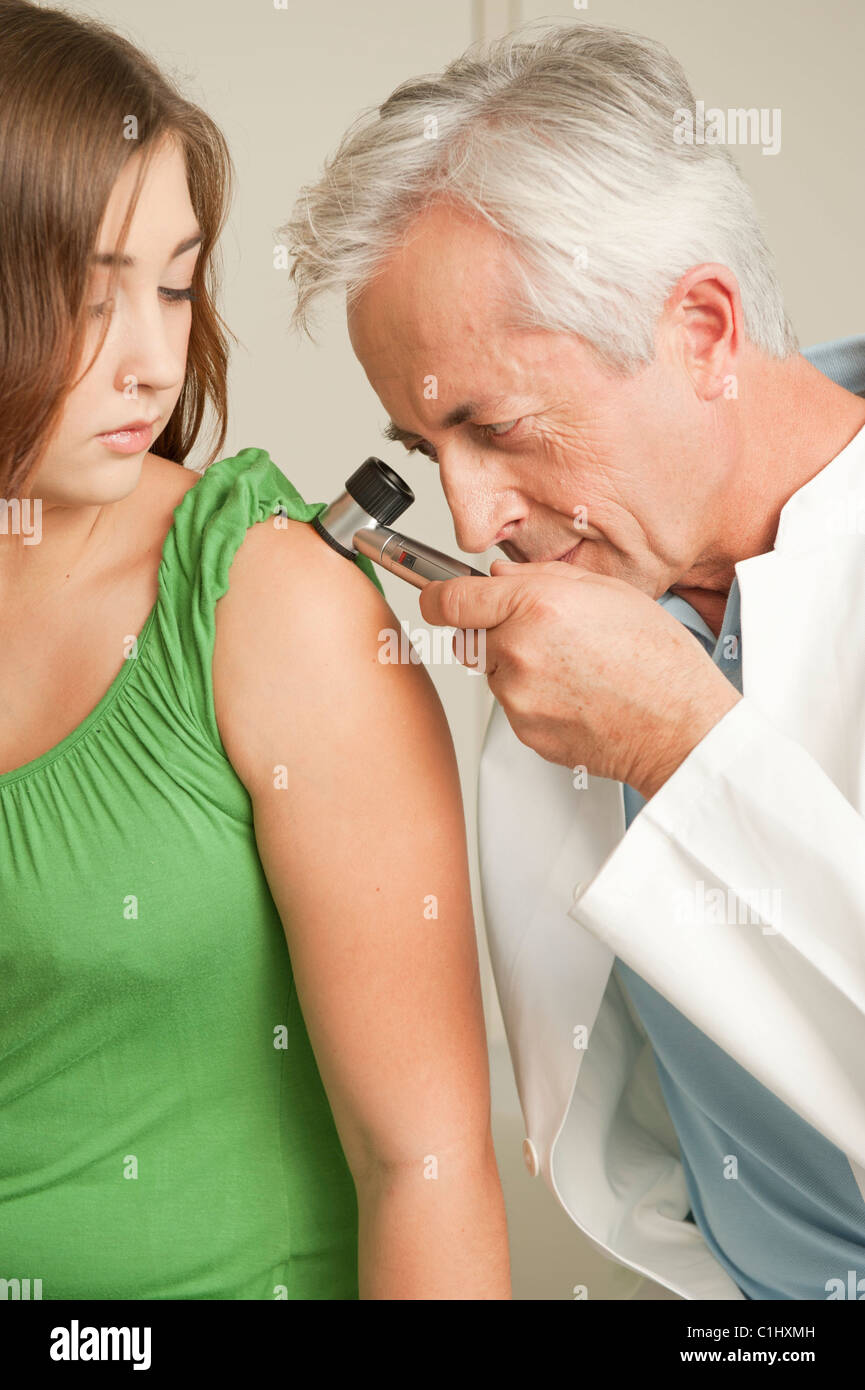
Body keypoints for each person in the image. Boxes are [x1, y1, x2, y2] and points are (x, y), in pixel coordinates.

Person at [283, 18, 865, 1299]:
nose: (475, 519)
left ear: (703, 331)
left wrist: (685, 749)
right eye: (429, 449)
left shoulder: (635, 671)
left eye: (494, 426)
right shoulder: (599, 605)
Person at [0, 0, 510, 1300]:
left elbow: (428, 1170)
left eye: (173, 284)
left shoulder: (271, 602)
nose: (152, 360)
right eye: (86, 294)